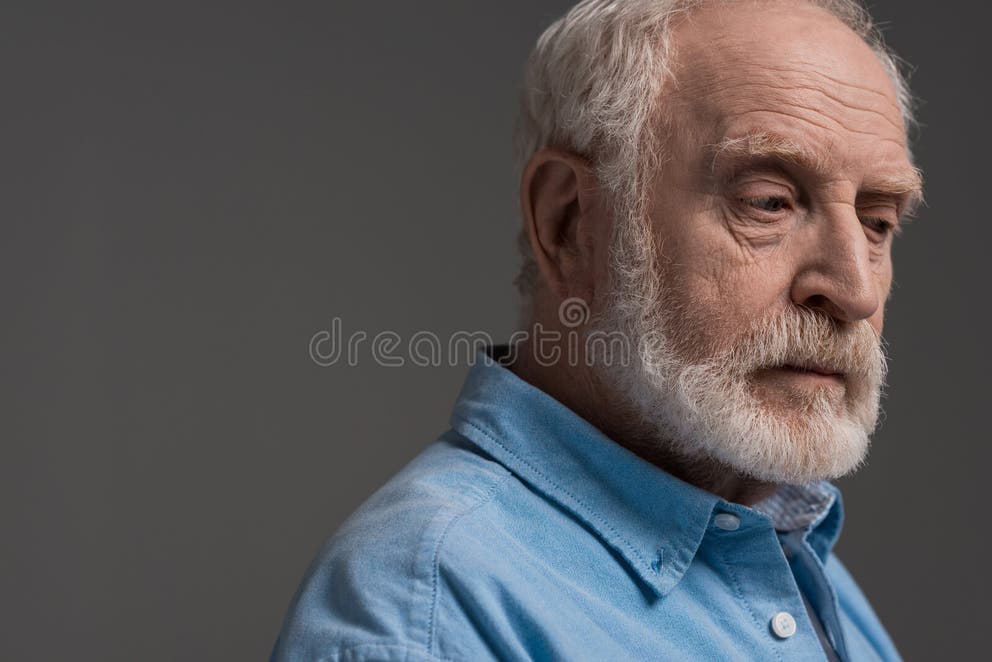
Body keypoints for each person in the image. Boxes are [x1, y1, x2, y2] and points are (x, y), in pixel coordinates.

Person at [272, 0, 923, 659]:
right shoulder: (430, 616)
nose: (855, 290)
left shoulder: (793, 563)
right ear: (570, 225)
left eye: (877, 222)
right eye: (769, 203)